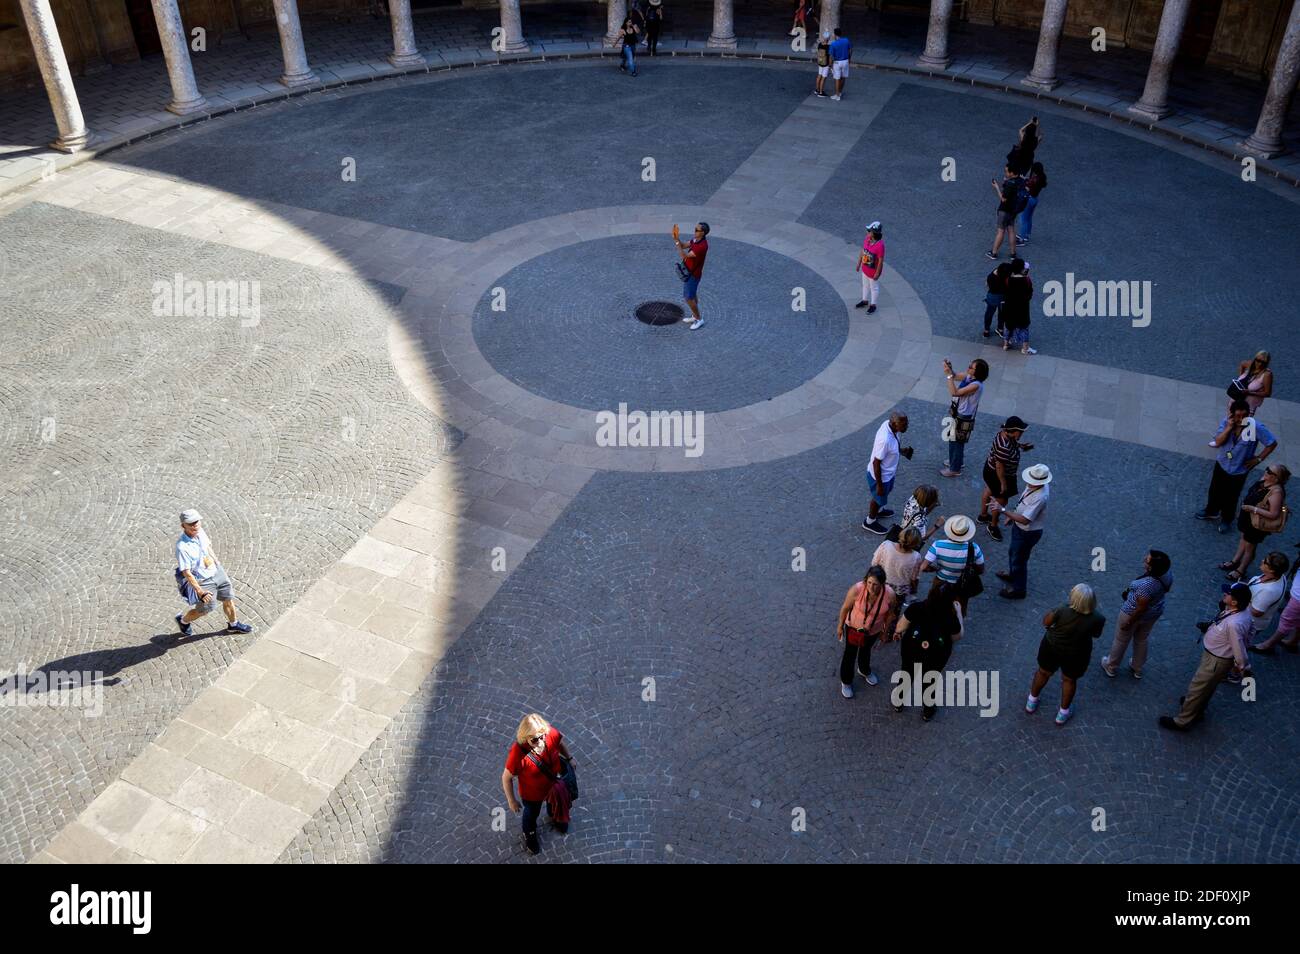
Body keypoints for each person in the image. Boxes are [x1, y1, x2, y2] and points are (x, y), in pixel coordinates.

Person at [1159, 583, 1252, 732]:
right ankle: (1197, 708)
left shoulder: (1235, 623)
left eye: (1227, 594)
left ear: (1234, 602)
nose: (1224, 595)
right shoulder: (1240, 611)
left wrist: (1244, 668)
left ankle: (1182, 721)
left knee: (1197, 688)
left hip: (1216, 660)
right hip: (1215, 657)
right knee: (1207, 687)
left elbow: (1239, 649)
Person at [1194, 399, 1279, 534]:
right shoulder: (1226, 423)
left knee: (1231, 496)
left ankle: (1227, 519)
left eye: (1244, 415)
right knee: (1214, 490)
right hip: (1222, 463)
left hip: (1239, 469)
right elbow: (1218, 441)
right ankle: (1211, 511)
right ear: (1231, 415)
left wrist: (1258, 459)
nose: (1241, 419)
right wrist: (1228, 428)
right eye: (1237, 416)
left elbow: (1272, 443)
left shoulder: (1255, 427)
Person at [1026, 583, 1105, 726]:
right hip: (1077, 653)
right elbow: (1096, 634)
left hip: (1051, 646)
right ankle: (1063, 713)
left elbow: (1046, 622)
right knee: (1069, 680)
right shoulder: (1098, 618)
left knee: (1043, 672)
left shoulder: (1062, 610)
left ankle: (1032, 701)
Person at [502, 713, 576, 855]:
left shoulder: (550, 733)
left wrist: (569, 758)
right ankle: (529, 835)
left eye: (542, 736)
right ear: (526, 738)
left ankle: (556, 816)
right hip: (532, 794)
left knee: (554, 803)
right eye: (534, 739)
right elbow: (506, 778)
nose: (540, 741)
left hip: (552, 785)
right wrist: (511, 800)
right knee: (531, 815)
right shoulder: (517, 753)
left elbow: (560, 744)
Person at [174, 509, 254, 637]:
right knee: (204, 610)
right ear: (183, 525)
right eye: (191, 523)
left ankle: (233, 625)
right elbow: (187, 573)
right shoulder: (182, 547)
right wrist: (200, 591)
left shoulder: (200, 531)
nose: (195, 525)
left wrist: (216, 560)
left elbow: (207, 547)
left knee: (228, 598)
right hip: (203, 582)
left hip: (217, 571)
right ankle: (183, 621)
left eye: (197, 522)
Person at [893, 580, 964, 722]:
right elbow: (957, 636)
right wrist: (959, 613)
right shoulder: (950, 617)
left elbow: (900, 628)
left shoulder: (917, 608)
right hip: (936, 655)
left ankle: (898, 701)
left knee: (907, 674)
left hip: (912, 650)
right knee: (930, 680)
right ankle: (927, 710)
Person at [1100, 549, 1173, 679]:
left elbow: (1141, 608)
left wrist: (1129, 622)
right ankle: (1137, 667)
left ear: (1152, 568)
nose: (1144, 559)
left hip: (1132, 613)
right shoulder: (1167, 574)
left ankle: (1111, 666)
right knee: (1141, 639)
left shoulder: (1146, 585)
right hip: (1154, 612)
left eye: (1147, 560)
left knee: (1121, 639)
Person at [836, 565, 898, 696]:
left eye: (875, 584)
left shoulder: (890, 594)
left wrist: (885, 632)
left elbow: (890, 615)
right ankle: (846, 681)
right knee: (850, 654)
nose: (871, 587)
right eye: (869, 583)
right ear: (865, 581)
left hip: (873, 630)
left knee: (866, 650)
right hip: (854, 628)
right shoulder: (857, 589)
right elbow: (845, 608)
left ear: (882, 583)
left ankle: (864, 669)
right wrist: (840, 626)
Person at [1223, 464, 1289, 580]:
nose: (1266, 471)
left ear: (1276, 478)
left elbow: (1274, 514)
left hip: (1257, 524)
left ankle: (1241, 570)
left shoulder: (1276, 492)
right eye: (1267, 469)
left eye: (1269, 471)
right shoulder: (1264, 480)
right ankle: (1235, 561)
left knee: (1250, 547)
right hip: (1248, 518)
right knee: (1243, 539)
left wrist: (1253, 509)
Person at [977, 416, 1033, 542]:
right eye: (1021, 431)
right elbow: (1000, 466)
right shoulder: (1004, 446)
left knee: (989, 490)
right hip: (999, 475)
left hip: (989, 469)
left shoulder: (1005, 434)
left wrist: (1021, 446)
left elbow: (1010, 444)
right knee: (1001, 501)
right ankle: (993, 525)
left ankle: (983, 515)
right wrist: (1003, 484)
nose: (1022, 433)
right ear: (1014, 431)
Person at [921, 515, 985, 615]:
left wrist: (934, 568)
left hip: (940, 581)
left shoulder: (938, 545)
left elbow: (923, 567)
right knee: (958, 611)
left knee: (933, 606)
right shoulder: (974, 548)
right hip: (961, 584)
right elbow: (981, 570)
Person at [862, 412, 912, 535]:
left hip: (888, 474)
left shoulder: (888, 425)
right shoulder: (885, 440)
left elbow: (892, 446)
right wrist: (879, 485)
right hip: (881, 477)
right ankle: (870, 521)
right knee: (878, 498)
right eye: (904, 424)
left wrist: (900, 451)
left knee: (885, 493)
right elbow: (876, 463)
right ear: (894, 424)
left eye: (907, 423)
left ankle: (880, 510)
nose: (907, 426)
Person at [940, 357, 989, 477]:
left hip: (964, 417)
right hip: (958, 412)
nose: (968, 367)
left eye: (971, 367)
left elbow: (955, 392)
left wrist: (948, 376)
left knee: (957, 442)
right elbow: (956, 376)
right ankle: (956, 462)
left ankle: (955, 469)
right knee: (953, 439)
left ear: (977, 372)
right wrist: (950, 370)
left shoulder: (976, 385)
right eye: (970, 364)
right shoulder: (969, 377)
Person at [1251, 545, 1300, 654]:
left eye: (1265, 562)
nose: (1262, 560)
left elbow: (1257, 612)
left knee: (1287, 621)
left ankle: (1268, 646)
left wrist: (1239, 602)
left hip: (1251, 623)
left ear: (1272, 570)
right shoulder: (1279, 576)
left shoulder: (1270, 591)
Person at [672, 222, 708, 330]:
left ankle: (698, 319)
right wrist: (676, 238)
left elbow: (684, 254)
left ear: (703, 233)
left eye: (697, 230)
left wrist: (677, 244)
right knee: (692, 295)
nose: (694, 231)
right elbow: (683, 245)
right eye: (695, 229)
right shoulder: (695, 240)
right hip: (689, 271)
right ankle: (694, 315)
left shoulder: (701, 246)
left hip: (693, 274)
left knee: (688, 298)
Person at [872, 526, 925, 600]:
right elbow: (914, 578)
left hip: (882, 581)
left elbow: (874, 563)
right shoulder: (916, 556)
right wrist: (914, 589)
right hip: (901, 587)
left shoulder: (886, 544)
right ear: (915, 544)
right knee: (897, 602)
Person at [986, 164, 1025, 260]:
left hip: (1005, 210)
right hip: (1013, 210)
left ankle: (994, 253)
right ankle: (1013, 254)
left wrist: (997, 187)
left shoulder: (1010, 184)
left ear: (1012, 173)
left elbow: (1003, 199)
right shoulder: (1021, 181)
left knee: (1001, 231)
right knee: (1011, 230)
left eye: (1007, 171)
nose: (1005, 173)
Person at [1001, 258, 1035, 355]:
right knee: (1024, 327)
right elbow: (1030, 294)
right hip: (1022, 308)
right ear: (1022, 268)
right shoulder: (1026, 280)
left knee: (1008, 326)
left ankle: (1006, 344)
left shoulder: (1008, 280)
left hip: (1009, 307)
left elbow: (1004, 292)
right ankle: (1025, 348)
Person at [1229, 351, 1273, 416]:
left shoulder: (1267, 375)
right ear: (1255, 359)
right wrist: (1241, 377)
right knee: (1229, 423)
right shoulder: (1250, 364)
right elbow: (1242, 364)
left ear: (1267, 363)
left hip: (1247, 408)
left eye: (1263, 362)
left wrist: (1250, 392)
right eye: (1258, 360)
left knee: (1243, 425)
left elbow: (1267, 393)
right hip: (1234, 402)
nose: (1260, 364)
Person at [856, 221, 884, 313]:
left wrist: (877, 273)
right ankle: (864, 300)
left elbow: (880, 261)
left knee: (874, 288)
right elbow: (863, 250)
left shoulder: (880, 246)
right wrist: (859, 263)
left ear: (874, 233)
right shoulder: (867, 239)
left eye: (869, 231)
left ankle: (873, 305)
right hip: (865, 269)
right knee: (865, 285)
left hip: (872, 272)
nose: (867, 232)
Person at [982, 262, 1011, 338]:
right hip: (1003, 297)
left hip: (992, 297)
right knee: (1002, 313)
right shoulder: (1004, 277)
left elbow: (987, 284)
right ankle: (1000, 329)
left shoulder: (993, 275)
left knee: (989, 313)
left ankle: (986, 330)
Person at [828, 27, 851, 101]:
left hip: (837, 62)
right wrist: (849, 59)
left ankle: (837, 95)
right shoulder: (846, 40)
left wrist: (830, 64)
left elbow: (831, 56)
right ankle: (840, 92)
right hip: (846, 61)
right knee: (843, 77)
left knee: (837, 78)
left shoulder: (833, 44)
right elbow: (850, 50)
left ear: (835, 35)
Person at [813, 29, 832, 97]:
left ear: (824, 37)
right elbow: (830, 56)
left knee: (819, 76)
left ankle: (817, 90)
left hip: (820, 62)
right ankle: (821, 92)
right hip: (826, 64)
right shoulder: (829, 46)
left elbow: (818, 52)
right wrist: (830, 64)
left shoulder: (820, 44)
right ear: (829, 38)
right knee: (823, 77)